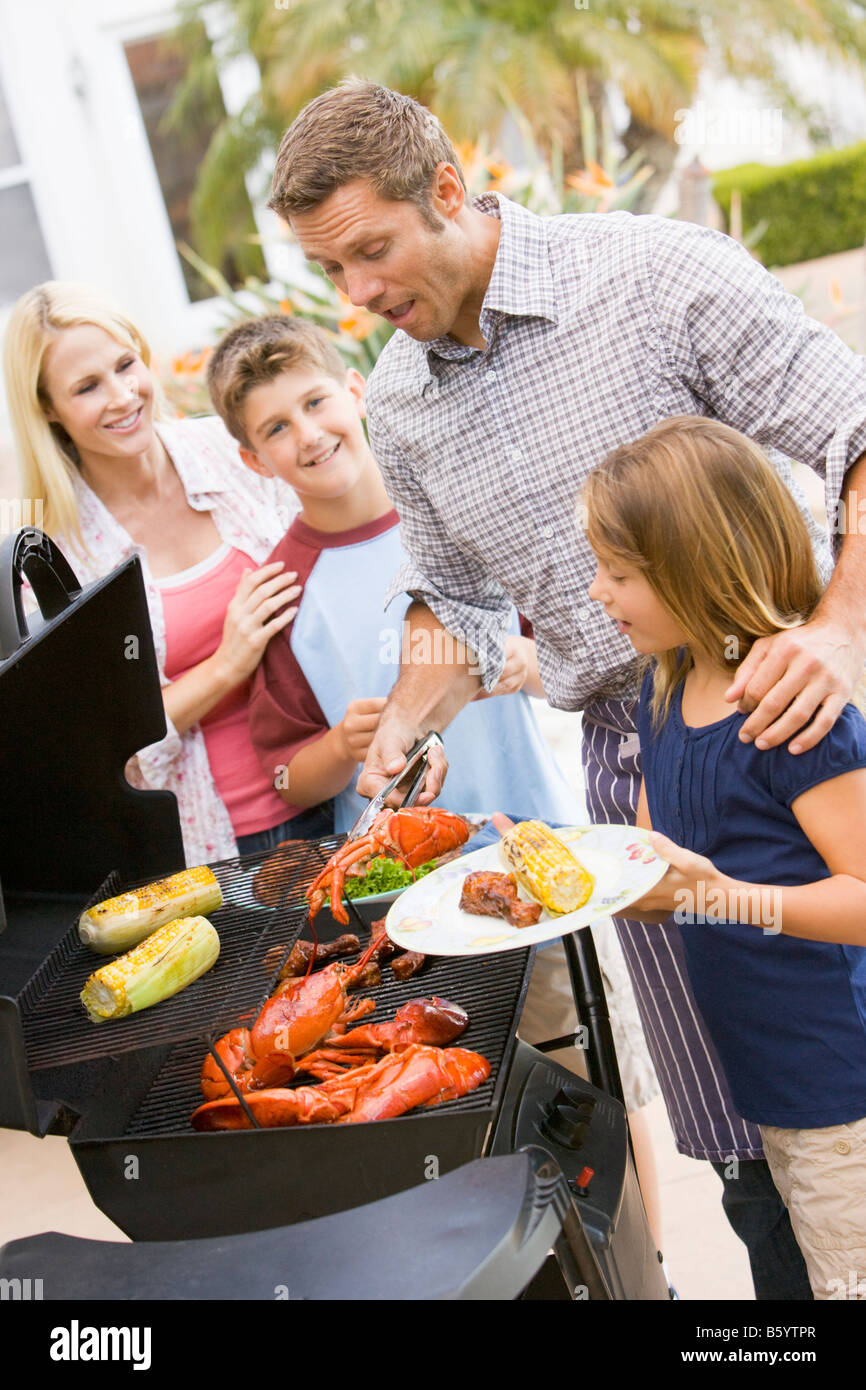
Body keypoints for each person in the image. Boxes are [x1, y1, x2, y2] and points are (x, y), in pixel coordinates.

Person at [267, 80, 866, 1298]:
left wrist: (844, 629)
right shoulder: (399, 398)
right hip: (632, 761)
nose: (360, 298)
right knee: (742, 1147)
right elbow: (458, 607)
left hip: (787, 718)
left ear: (449, 190)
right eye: (330, 272)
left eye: (371, 253)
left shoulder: (651, 274)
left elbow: (854, 426)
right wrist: (406, 722)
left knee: (842, 1106)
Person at [204, 311, 665, 1242]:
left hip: (538, 857)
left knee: (592, 1081)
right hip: (402, 917)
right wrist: (343, 746)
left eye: (316, 402)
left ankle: (643, 1254)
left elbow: (587, 646)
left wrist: (514, 667)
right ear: (253, 462)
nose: (308, 435)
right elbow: (287, 777)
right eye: (275, 430)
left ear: (358, 393)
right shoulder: (280, 589)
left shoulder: (457, 523)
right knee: (471, 1116)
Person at [583, 414, 866, 1300]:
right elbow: (648, 848)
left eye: (618, 574)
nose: (597, 594)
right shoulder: (662, 687)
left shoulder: (791, 714)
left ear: (694, 568)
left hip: (840, 1090)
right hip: (767, 1085)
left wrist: (723, 898)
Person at [2, 281, 331, 867]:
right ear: (48, 410)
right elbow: (98, 744)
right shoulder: (54, 553)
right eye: (87, 387)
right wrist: (228, 661)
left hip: (339, 785)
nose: (123, 396)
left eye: (126, 365)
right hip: (217, 846)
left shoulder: (234, 452)